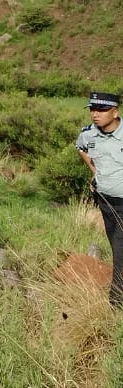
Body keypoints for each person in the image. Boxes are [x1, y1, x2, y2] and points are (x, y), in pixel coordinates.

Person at [77, 90, 123, 308]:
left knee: (120, 249)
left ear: (115, 112)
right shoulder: (88, 134)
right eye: (93, 109)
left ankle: (116, 303)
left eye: (102, 110)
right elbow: (81, 148)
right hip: (105, 201)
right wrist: (95, 173)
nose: (96, 114)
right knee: (116, 247)